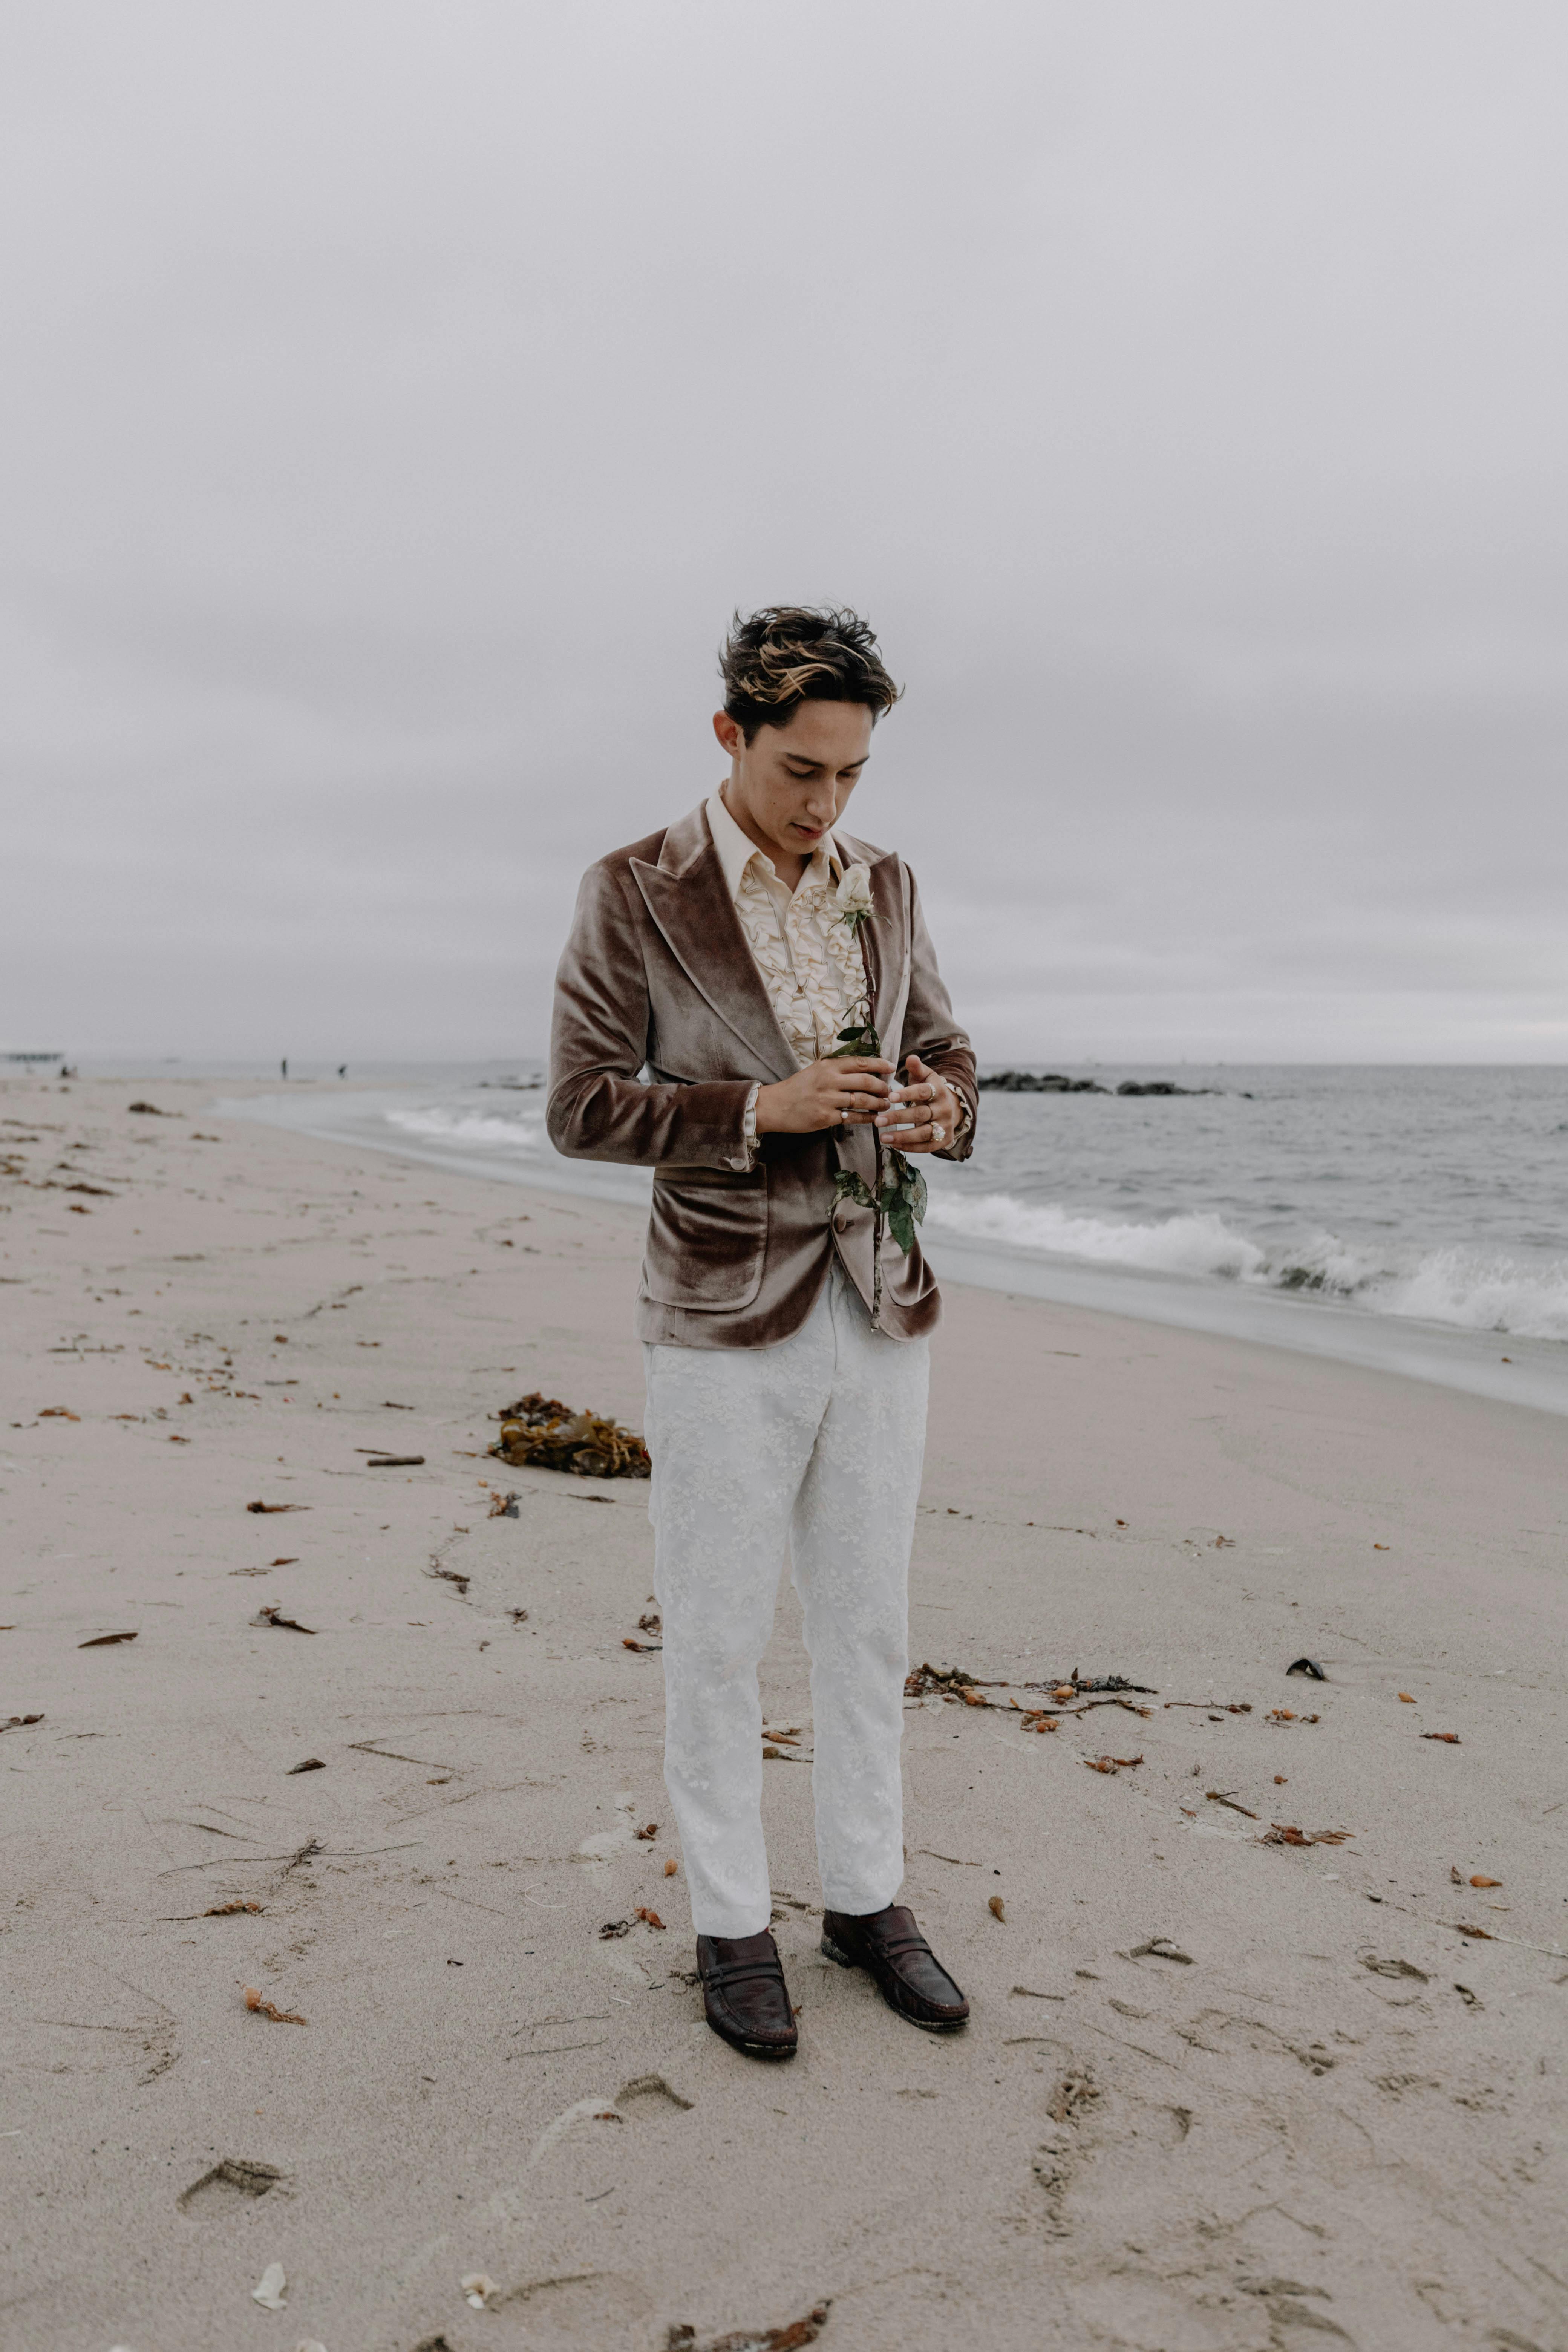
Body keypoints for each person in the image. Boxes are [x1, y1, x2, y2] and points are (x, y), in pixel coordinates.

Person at [548, 606, 978, 2060]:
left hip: (883, 1298)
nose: (826, 804)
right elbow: (581, 1105)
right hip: (723, 1313)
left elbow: (949, 1049)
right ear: (731, 734)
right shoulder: (633, 888)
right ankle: (732, 1925)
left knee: (867, 1626)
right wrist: (757, 1110)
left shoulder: (888, 883)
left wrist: (943, 1107)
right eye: (802, 770)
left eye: (851, 774)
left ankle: (867, 1900)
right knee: (719, 1637)